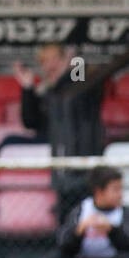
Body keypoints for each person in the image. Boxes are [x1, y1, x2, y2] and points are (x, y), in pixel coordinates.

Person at [9, 43, 106, 216]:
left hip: (87, 170)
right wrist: (28, 88)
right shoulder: (49, 93)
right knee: (67, 227)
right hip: (62, 172)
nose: (50, 66)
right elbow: (31, 123)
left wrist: (74, 61)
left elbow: (80, 79)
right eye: (45, 62)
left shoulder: (80, 83)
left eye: (55, 60)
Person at [40, 166, 128, 258]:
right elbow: (65, 246)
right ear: (99, 191)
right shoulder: (81, 211)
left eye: (121, 189)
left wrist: (112, 231)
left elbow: (126, 245)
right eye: (115, 190)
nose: (120, 195)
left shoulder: (124, 214)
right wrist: (79, 232)